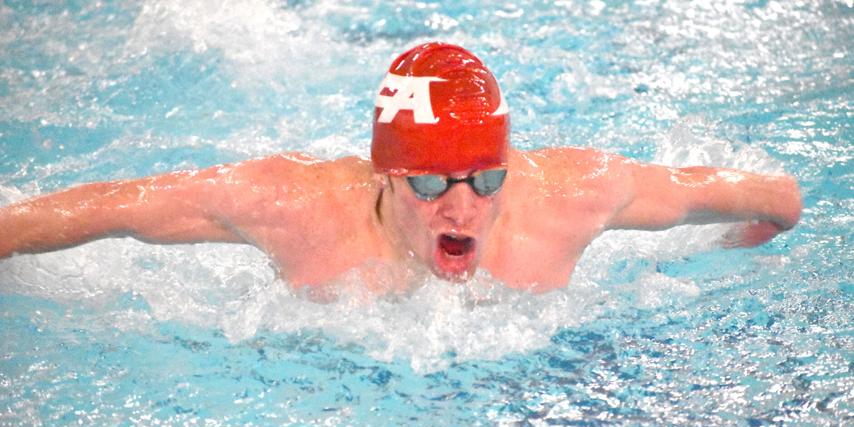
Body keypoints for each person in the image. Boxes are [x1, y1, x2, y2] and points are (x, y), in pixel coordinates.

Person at [0, 42, 801, 294]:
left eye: (484, 179)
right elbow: (119, 206)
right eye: (429, 182)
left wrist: (755, 229)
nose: (462, 209)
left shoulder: (567, 195)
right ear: (385, 178)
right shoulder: (297, 207)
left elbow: (767, 195)